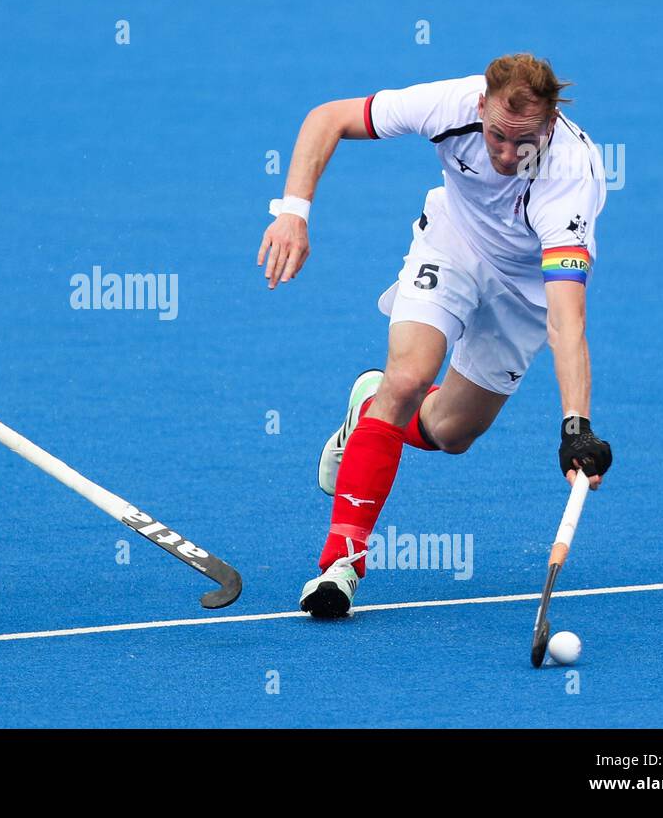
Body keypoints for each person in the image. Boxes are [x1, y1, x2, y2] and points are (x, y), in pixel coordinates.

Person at [257, 54, 614, 618]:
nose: (503, 154)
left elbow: (566, 319)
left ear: (548, 127)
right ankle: (340, 564)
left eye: (522, 142)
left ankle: (367, 411)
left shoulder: (572, 176)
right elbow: (328, 118)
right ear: (480, 108)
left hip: (523, 291)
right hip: (453, 245)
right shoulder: (450, 104)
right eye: (496, 134)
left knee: (451, 432)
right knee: (408, 377)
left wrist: (576, 428)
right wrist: (293, 212)